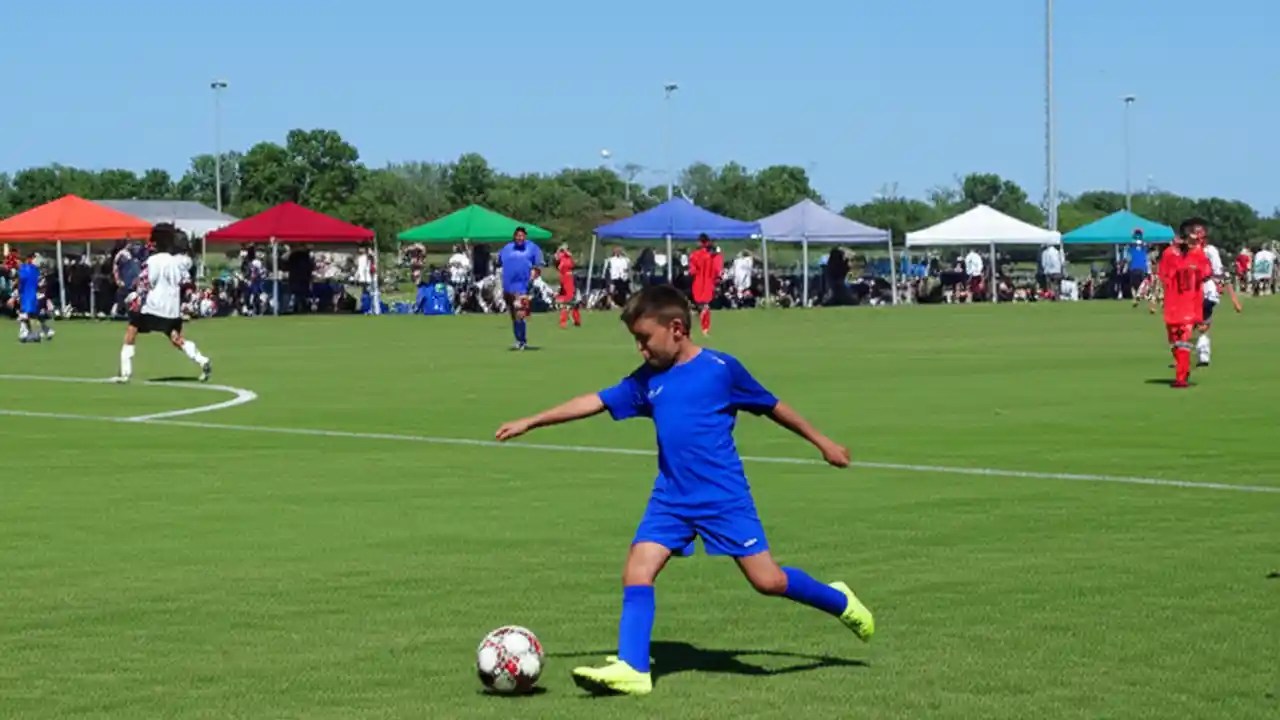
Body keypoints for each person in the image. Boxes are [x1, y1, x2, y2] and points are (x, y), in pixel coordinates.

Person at [494, 285, 874, 696]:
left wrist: (823, 442)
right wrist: (532, 420)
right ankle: (634, 668)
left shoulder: (721, 369)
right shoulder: (649, 380)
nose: (640, 349)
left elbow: (773, 406)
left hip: (722, 498)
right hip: (671, 498)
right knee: (637, 570)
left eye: (644, 339)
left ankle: (838, 601)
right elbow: (597, 400)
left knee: (768, 581)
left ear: (676, 328)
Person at [117, 223, 211, 383]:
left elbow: (144, 282)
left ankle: (125, 373)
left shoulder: (152, 261)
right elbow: (187, 283)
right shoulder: (177, 263)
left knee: (132, 330)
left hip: (153, 308)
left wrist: (134, 297)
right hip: (172, 310)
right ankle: (202, 360)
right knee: (176, 338)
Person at [1157, 218, 1212, 388]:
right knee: (1174, 344)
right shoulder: (1169, 254)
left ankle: (1181, 378)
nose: (1196, 240)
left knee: (1183, 341)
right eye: (1193, 236)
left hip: (1190, 305)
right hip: (1173, 306)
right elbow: (1162, 276)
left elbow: (1206, 273)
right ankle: (1184, 366)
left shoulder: (1199, 254)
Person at [1190, 221, 1241, 367]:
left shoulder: (1211, 251)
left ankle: (1202, 351)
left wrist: (1233, 299)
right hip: (1191, 290)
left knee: (1203, 322)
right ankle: (1195, 350)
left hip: (1206, 289)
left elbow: (1221, 273)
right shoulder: (1187, 251)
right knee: (1192, 322)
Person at [498, 227, 544, 349]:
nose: (520, 238)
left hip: (522, 285)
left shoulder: (532, 248)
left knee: (520, 312)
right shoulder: (507, 248)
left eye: (522, 236)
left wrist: (534, 273)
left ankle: (522, 341)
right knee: (513, 314)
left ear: (525, 236)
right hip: (508, 285)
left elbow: (539, 264)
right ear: (514, 236)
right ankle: (518, 339)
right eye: (518, 235)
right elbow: (499, 262)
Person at [688, 234, 723, 334]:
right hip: (708, 283)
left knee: (699, 304)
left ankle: (695, 324)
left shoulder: (695, 255)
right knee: (705, 305)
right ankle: (705, 328)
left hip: (698, 283)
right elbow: (717, 270)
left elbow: (692, 271)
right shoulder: (713, 256)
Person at [15, 252, 52, 342]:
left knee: (27, 315)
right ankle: (44, 331)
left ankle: (28, 334)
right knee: (32, 315)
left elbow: (21, 283)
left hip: (31, 296)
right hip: (34, 296)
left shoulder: (27, 270)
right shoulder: (34, 270)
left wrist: (17, 293)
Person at [554, 245, 581, 329]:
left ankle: (576, 320)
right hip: (566, 279)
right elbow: (556, 258)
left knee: (574, 302)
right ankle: (564, 322)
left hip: (570, 279)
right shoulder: (561, 257)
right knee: (568, 301)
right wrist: (560, 249)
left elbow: (573, 262)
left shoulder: (568, 257)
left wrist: (565, 251)